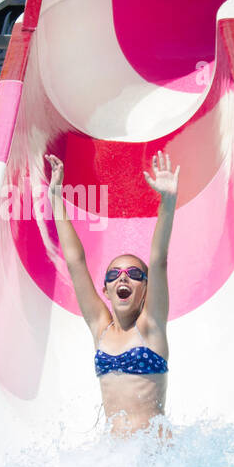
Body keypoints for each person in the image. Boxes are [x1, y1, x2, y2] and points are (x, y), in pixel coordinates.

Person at [45, 150, 178, 439]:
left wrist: (167, 201)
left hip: (155, 457)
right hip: (115, 459)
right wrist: (56, 196)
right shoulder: (100, 329)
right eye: (114, 274)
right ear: (104, 289)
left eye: (134, 274)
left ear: (146, 288)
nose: (123, 277)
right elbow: (75, 260)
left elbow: (158, 259)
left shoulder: (150, 327)